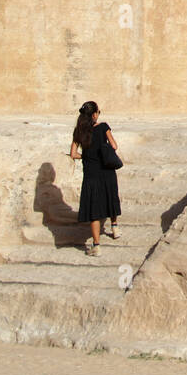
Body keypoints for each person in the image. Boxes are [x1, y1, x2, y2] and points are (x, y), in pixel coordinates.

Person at [69, 100, 122, 259]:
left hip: (91, 173)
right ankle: (115, 227)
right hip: (106, 169)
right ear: (94, 114)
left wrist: (86, 156)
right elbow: (114, 146)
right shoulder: (103, 127)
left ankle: (96, 246)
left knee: (94, 209)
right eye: (98, 112)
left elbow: (73, 154)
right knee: (110, 196)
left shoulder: (79, 131)